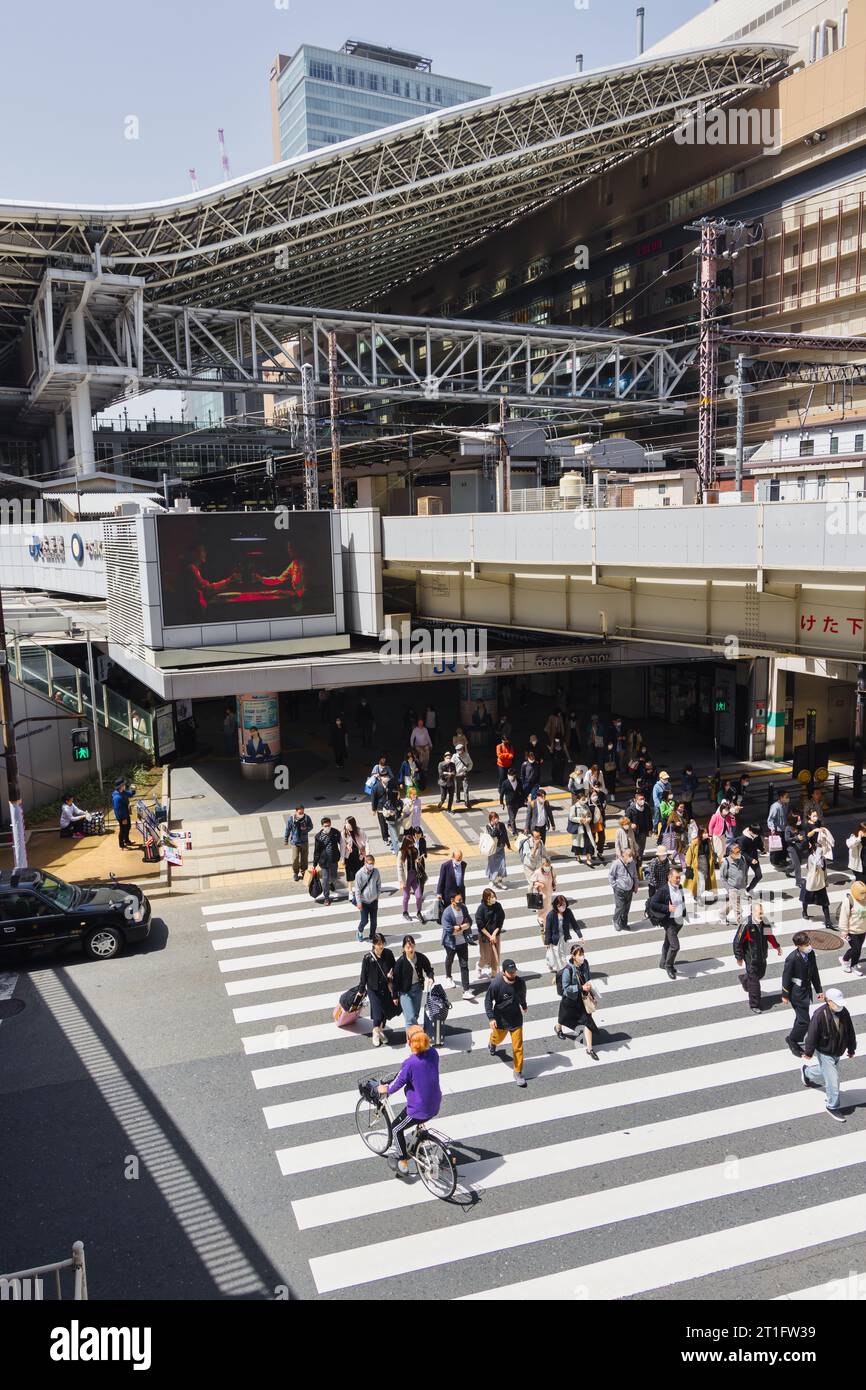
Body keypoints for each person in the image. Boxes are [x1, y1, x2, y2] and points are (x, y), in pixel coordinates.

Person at [378, 1026, 442, 1174]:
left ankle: (403, 1161)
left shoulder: (410, 1063)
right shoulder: (434, 1053)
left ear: (409, 1042)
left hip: (419, 1109)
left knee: (396, 1128)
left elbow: (397, 1083)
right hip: (435, 1102)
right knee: (415, 1122)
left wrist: (385, 1089)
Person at [801, 988, 856, 1122]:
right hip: (825, 1051)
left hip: (838, 1050)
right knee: (833, 1080)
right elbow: (812, 1034)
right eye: (837, 1003)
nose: (840, 1006)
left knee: (825, 1070)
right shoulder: (820, 1014)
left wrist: (851, 1048)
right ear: (829, 1001)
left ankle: (807, 1073)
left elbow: (850, 1030)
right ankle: (832, 1106)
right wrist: (808, 1052)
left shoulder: (844, 1012)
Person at [485, 958, 529, 1087]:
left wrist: (524, 1005)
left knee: (518, 1047)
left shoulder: (520, 983)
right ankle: (492, 1043)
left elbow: (522, 995)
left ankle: (518, 1072)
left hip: (516, 1019)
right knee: (497, 1039)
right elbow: (488, 1001)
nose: (513, 974)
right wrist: (491, 1018)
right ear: (504, 972)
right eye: (510, 972)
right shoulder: (496, 984)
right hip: (501, 1020)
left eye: (514, 971)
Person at [781, 931, 824, 1057]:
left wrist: (819, 990)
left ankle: (795, 1035)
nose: (809, 946)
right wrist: (784, 994)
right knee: (804, 1021)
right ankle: (793, 1040)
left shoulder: (810, 954)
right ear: (798, 946)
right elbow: (786, 977)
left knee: (801, 1017)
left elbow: (814, 972)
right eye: (806, 944)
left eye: (808, 943)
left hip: (806, 992)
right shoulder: (792, 958)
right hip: (797, 994)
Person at [733, 901, 781, 1013]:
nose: (762, 914)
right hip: (751, 957)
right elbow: (737, 941)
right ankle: (754, 1004)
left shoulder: (764, 922)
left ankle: (745, 979)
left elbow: (769, 935)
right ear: (752, 912)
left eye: (762, 912)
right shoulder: (746, 924)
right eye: (759, 912)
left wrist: (776, 946)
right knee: (754, 982)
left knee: (760, 974)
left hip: (762, 955)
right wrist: (739, 957)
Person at [554, 944, 598, 1059]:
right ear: (573, 956)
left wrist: (589, 987)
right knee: (564, 1017)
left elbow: (587, 977)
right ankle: (558, 1028)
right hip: (570, 999)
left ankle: (590, 1048)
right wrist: (580, 988)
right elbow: (566, 988)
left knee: (588, 1020)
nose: (582, 957)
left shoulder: (585, 964)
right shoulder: (568, 970)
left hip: (583, 998)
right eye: (579, 955)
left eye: (582, 954)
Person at [359, 934, 398, 1048]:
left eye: (382, 943)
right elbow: (363, 975)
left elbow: (394, 968)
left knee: (385, 1012)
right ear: (374, 945)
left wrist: (391, 974)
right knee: (377, 1012)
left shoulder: (388, 954)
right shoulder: (368, 958)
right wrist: (361, 990)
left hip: (386, 987)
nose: (381, 946)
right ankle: (375, 1032)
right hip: (373, 989)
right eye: (378, 944)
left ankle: (380, 1030)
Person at [649, 866, 688, 980]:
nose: (678, 880)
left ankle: (662, 963)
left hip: (678, 920)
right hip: (669, 921)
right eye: (676, 878)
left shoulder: (679, 886)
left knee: (668, 942)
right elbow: (653, 903)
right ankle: (669, 965)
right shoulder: (663, 890)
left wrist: (684, 913)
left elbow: (682, 900)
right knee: (675, 946)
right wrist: (667, 908)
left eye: (679, 878)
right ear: (669, 877)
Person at [393, 937, 435, 1029]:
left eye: (412, 946)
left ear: (415, 946)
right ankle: (411, 1041)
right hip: (405, 992)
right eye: (408, 947)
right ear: (404, 948)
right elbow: (395, 980)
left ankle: (415, 1036)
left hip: (418, 989)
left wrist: (431, 977)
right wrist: (395, 996)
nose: (411, 949)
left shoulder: (420, 957)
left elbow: (428, 969)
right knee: (410, 1018)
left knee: (415, 1015)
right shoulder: (400, 962)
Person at [441, 892, 474, 999]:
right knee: (449, 959)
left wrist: (458, 927)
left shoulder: (464, 908)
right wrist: (462, 927)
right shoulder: (447, 913)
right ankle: (448, 976)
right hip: (450, 943)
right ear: (452, 901)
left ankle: (466, 990)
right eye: (459, 901)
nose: (461, 902)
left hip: (463, 942)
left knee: (464, 965)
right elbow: (450, 931)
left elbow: (470, 922)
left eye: (462, 900)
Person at [801, 835, 833, 928]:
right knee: (805, 899)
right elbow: (815, 866)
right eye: (819, 849)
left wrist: (826, 881)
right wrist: (818, 858)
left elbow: (824, 870)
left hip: (820, 883)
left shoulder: (822, 858)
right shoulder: (811, 857)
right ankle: (804, 911)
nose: (821, 851)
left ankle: (828, 921)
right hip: (811, 882)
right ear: (814, 850)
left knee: (825, 903)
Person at [544, 894, 578, 977]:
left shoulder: (568, 912)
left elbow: (574, 923)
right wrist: (547, 942)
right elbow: (548, 930)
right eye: (560, 906)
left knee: (562, 954)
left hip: (563, 937)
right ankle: (562, 971)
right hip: (554, 939)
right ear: (556, 906)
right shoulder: (551, 915)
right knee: (556, 955)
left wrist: (580, 935)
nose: (563, 907)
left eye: (564, 905)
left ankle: (562, 969)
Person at [475, 887, 505, 980]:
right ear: (486, 898)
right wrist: (490, 936)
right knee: (486, 957)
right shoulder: (481, 909)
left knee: (496, 956)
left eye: (494, 896)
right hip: (485, 936)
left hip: (495, 935)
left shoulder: (498, 906)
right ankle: (479, 965)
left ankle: (494, 973)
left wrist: (494, 934)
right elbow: (480, 925)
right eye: (491, 897)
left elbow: (500, 921)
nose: (493, 898)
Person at [312, 817, 341, 906]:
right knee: (325, 879)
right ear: (322, 826)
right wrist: (314, 863)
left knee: (334, 876)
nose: (327, 827)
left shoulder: (335, 832)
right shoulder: (318, 837)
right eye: (325, 826)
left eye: (328, 825)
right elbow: (316, 851)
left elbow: (342, 843)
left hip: (334, 859)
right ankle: (326, 898)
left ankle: (331, 882)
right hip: (323, 861)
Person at [839, 880, 866, 973]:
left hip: (862, 930)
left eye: (864, 893)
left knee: (858, 950)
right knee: (855, 949)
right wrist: (844, 931)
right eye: (861, 893)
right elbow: (844, 916)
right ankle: (845, 960)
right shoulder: (849, 901)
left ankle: (854, 965)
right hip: (852, 931)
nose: (863, 895)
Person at [353, 854, 382, 942]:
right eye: (369, 863)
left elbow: (379, 884)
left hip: (373, 901)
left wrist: (377, 895)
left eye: (372, 863)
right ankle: (360, 931)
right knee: (364, 921)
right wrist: (359, 903)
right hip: (363, 902)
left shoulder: (376, 872)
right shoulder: (359, 874)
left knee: (374, 922)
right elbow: (357, 890)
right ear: (365, 863)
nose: (371, 865)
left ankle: (372, 936)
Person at [684, 826, 717, 904]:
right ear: (700, 833)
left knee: (703, 880)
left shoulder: (708, 842)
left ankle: (695, 894)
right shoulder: (694, 842)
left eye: (707, 832)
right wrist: (688, 865)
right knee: (701, 881)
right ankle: (698, 897)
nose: (706, 834)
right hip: (697, 864)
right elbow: (689, 854)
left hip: (705, 864)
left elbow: (711, 853)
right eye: (705, 833)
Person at [397, 834, 425, 923]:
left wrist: (418, 861)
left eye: (412, 844)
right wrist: (401, 881)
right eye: (410, 844)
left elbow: (418, 861)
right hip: (406, 877)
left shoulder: (415, 850)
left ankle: (419, 912)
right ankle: (405, 912)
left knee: (419, 895)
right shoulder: (401, 853)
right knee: (406, 896)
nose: (412, 846)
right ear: (406, 844)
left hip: (414, 876)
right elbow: (399, 868)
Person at [609, 848, 638, 932]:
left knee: (626, 908)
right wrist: (615, 886)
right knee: (620, 907)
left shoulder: (632, 863)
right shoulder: (617, 863)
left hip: (629, 890)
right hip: (620, 889)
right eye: (629, 856)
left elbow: (635, 875)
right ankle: (616, 921)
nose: (630, 857)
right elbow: (611, 876)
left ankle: (624, 923)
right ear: (623, 855)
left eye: (631, 856)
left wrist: (636, 885)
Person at [719, 841, 749, 925]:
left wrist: (745, 882)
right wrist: (729, 888)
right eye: (737, 852)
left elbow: (745, 872)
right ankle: (741, 925)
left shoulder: (742, 858)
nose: (739, 854)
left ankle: (722, 914)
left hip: (741, 886)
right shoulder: (726, 863)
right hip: (732, 888)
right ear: (731, 853)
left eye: (739, 851)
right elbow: (722, 877)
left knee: (733, 903)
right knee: (737, 908)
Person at [482, 810, 511, 887]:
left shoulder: (501, 825)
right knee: (492, 864)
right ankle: (491, 880)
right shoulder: (488, 826)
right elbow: (492, 834)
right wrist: (495, 826)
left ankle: (500, 881)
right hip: (492, 849)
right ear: (491, 819)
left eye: (497, 817)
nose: (497, 819)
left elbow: (505, 835)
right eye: (495, 818)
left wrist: (508, 844)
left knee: (502, 864)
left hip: (501, 847)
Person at [285, 805, 314, 880]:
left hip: (304, 841)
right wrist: (286, 839)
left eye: (302, 812)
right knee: (295, 858)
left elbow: (311, 826)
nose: (301, 813)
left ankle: (304, 871)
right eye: (300, 812)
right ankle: (295, 873)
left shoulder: (307, 818)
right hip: (295, 842)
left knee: (304, 858)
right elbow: (288, 829)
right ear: (296, 811)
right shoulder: (291, 819)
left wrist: (305, 829)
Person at [735, 823, 765, 895]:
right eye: (756, 834)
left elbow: (759, 843)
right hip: (745, 860)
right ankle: (743, 890)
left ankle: (749, 888)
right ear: (750, 831)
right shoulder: (743, 839)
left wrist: (762, 849)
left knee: (759, 875)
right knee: (744, 876)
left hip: (754, 858)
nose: (757, 835)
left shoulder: (756, 835)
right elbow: (742, 852)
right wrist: (751, 860)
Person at [626, 789, 653, 867]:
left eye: (643, 799)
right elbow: (625, 821)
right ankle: (633, 864)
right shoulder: (630, 809)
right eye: (640, 799)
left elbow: (649, 818)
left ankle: (638, 865)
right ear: (636, 800)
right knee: (633, 849)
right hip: (633, 833)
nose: (642, 801)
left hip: (643, 832)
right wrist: (631, 824)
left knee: (640, 849)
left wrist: (650, 829)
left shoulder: (646, 806)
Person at [567, 792, 595, 866]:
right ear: (578, 799)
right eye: (583, 799)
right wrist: (580, 819)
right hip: (578, 828)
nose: (584, 800)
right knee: (578, 843)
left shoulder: (586, 806)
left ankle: (588, 859)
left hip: (586, 827)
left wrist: (588, 819)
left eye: (585, 799)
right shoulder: (574, 807)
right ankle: (578, 856)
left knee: (588, 843)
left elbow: (590, 814)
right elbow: (571, 817)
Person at [529, 854, 556, 929]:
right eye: (546, 865)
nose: (548, 867)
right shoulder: (537, 872)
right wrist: (539, 884)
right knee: (542, 909)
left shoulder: (551, 870)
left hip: (549, 892)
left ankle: (548, 922)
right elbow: (532, 882)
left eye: (549, 865)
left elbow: (554, 877)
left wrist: (554, 884)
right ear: (542, 865)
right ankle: (542, 921)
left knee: (549, 908)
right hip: (540, 894)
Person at [767, 791, 790, 867]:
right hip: (777, 830)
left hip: (784, 828)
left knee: (784, 845)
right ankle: (775, 861)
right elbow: (771, 819)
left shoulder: (786, 805)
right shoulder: (775, 806)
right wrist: (772, 829)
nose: (788, 798)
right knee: (776, 846)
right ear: (781, 797)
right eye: (786, 797)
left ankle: (783, 859)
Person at [785, 811, 808, 888]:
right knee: (797, 865)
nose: (800, 821)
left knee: (797, 863)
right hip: (792, 848)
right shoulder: (788, 828)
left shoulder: (801, 826)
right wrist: (796, 838)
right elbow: (787, 839)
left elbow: (804, 835)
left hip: (799, 847)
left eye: (800, 819)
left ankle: (788, 869)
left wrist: (804, 839)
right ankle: (798, 881)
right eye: (798, 820)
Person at [501, 768, 525, 835]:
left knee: (513, 816)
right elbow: (502, 793)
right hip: (509, 802)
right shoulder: (505, 783)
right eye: (509, 775)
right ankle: (514, 832)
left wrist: (524, 799)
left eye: (512, 775)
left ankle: (509, 823)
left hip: (516, 801)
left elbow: (521, 791)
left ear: (515, 775)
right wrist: (501, 802)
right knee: (512, 818)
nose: (510, 777)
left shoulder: (519, 781)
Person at [112, 780, 133, 850]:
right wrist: (123, 818)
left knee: (128, 826)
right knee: (123, 829)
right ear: (120, 786)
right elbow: (117, 809)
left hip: (126, 813)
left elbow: (129, 794)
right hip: (122, 816)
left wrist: (133, 790)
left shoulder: (123, 792)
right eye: (123, 785)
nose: (125, 786)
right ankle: (121, 844)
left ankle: (127, 840)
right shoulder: (117, 797)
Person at [496, 734, 516, 803]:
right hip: (501, 765)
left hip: (508, 764)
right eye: (504, 740)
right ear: (502, 740)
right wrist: (507, 755)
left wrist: (505, 755)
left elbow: (512, 755)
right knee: (502, 777)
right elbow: (499, 755)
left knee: (508, 777)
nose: (506, 741)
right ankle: (500, 788)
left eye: (507, 740)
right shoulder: (499, 746)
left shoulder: (510, 746)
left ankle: (507, 788)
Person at [453, 743, 473, 808]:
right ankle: (458, 798)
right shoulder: (454, 756)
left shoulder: (467, 755)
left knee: (466, 788)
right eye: (457, 750)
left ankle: (467, 801)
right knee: (457, 787)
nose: (459, 751)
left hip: (464, 774)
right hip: (457, 775)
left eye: (460, 749)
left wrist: (467, 770)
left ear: (462, 749)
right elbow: (451, 765)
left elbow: (470, 764)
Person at [652, 771, 671, 837]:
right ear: (660, 778)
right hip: (659, 805)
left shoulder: (669, 784)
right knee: (657, 819)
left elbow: (670, 793)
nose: (666, 780)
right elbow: (655, 797)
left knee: (665, 818)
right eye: (664, 778)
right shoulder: (656, 786)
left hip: (666, 804)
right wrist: (659, 806)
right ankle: (655, 831)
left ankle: (664, 831)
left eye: (667, 778)